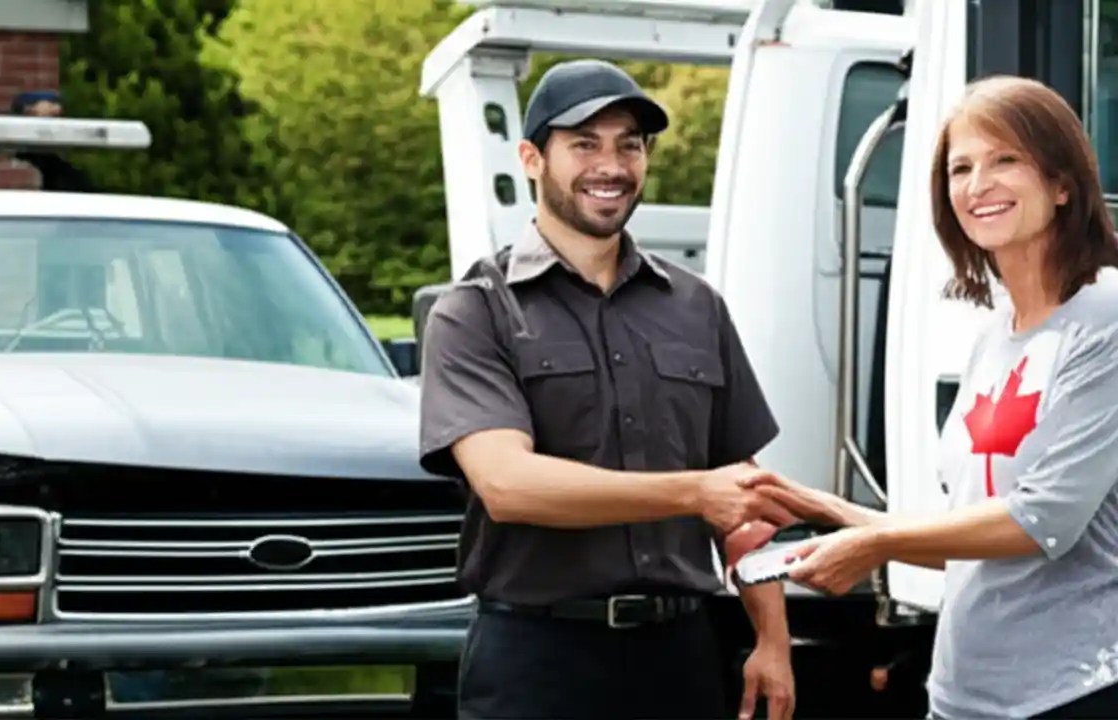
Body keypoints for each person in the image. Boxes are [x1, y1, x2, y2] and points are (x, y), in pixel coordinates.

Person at [417, 58, 798, 720]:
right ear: (532, 159)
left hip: (680, 657)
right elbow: (507, 485)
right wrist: (692, 492)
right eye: (585, 144)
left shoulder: (697, 306)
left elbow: (742, 493)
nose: (611, 166)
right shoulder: (476, 311)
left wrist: (772, 638)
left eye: (629, 145)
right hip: (538, 661)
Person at [744, 75, 1118, 719]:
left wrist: (877, 545)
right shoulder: (995, 336)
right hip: (963, 696)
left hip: (1072, 692)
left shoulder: (1105, 315)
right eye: (960, 168)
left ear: (1063, 184)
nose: (979, 185)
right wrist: (835, 512)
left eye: (1006, 160)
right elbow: (970, 539)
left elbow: (1042, 520)